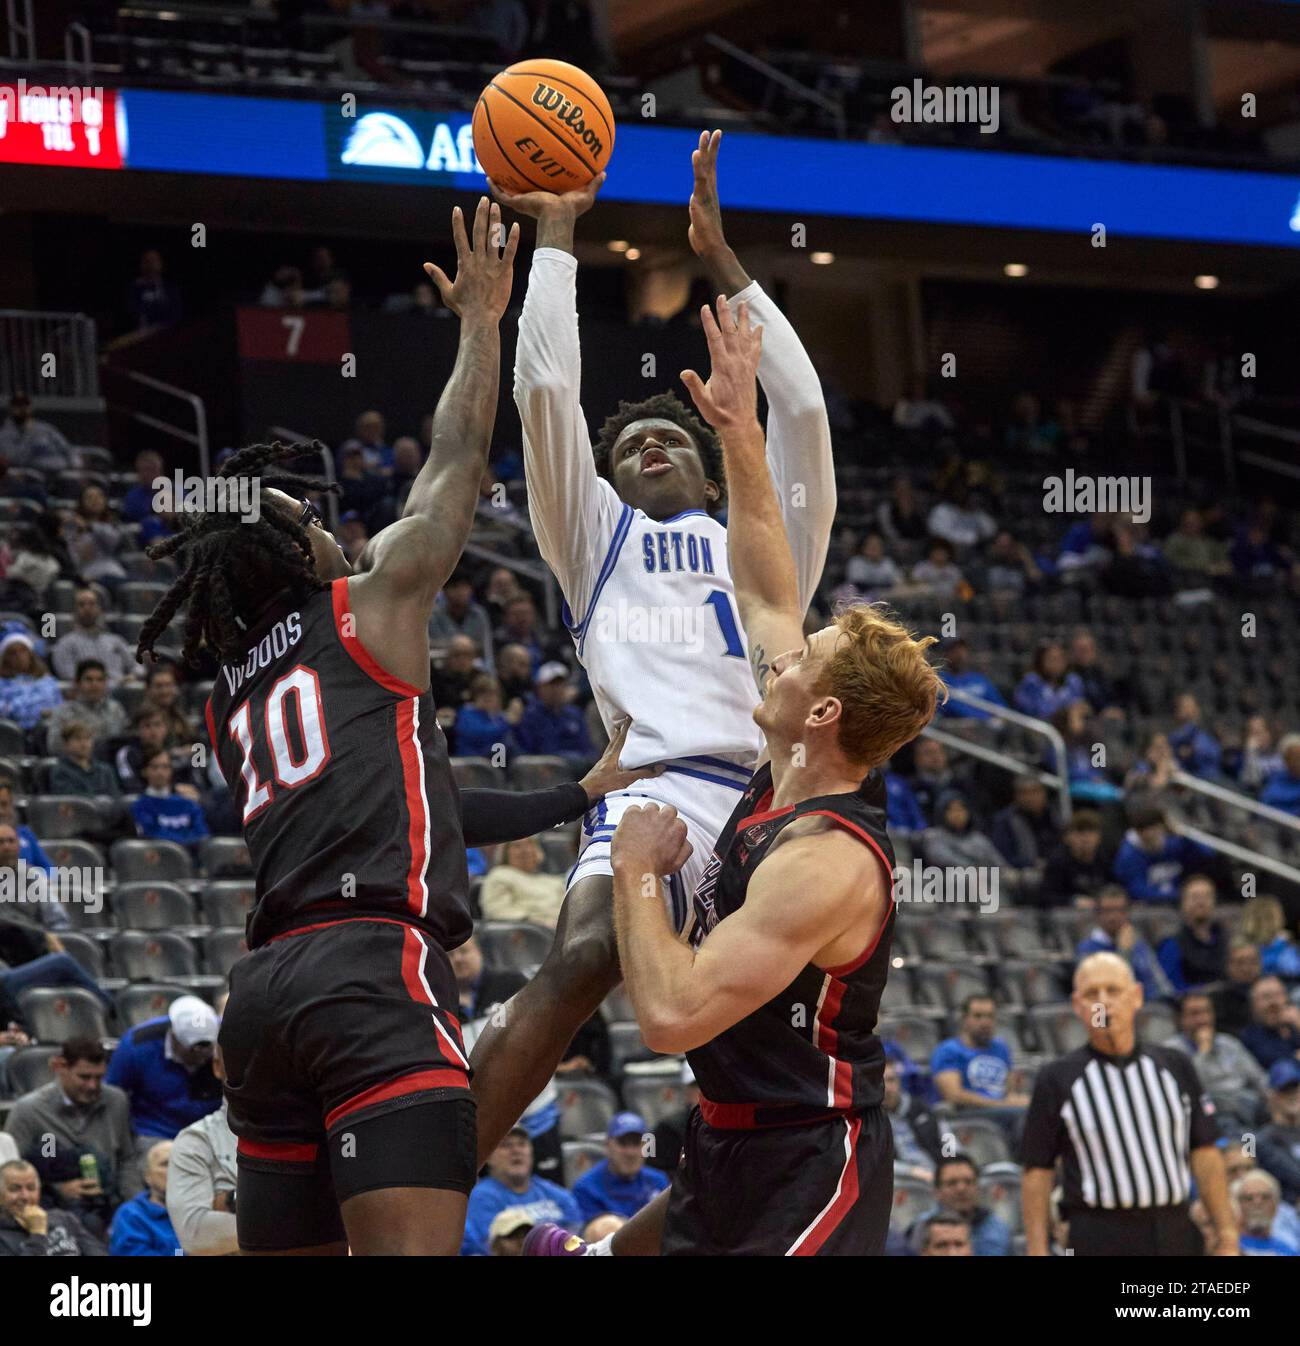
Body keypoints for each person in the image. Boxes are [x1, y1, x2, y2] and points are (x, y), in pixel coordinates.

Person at [137, 200, 519, 1257]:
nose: (333, 525)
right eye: (313, 519)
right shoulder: (370, 608)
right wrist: (482, 322)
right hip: (367, 967)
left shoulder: (225, 702)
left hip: (261, 993)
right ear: (296, 554)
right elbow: (455, 460)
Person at [527, 292, 943, 1258]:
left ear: (824, 711)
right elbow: (762, 587)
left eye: (804, 661)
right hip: (720, 1140)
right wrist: (737, 431)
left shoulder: (826, 858)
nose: (780, 657)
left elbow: (671, 1015)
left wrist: (633, 871)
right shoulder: (778, 770)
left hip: (811, 1157)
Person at [468, 131, 839, 1168]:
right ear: (609, 480)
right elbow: (544, 394)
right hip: (656, 789)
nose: (650, 443)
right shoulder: (596, 539)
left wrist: (724, 261)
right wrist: (556, 231)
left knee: (770, 1067)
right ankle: (420, 1197)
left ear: (712, 470)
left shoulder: (766, 551)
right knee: (583, 952)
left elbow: (801, 410)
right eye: (628, 445)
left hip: (774, 808)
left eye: (669, 435)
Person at [1020, 952, 1237, 1256]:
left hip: (1174, 1227)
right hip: (1099, 1233)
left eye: (1113, 991)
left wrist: (1227, 1234)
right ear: (1077, 1006)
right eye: (1092, 994)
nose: (1103, 1002)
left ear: (1136, 997)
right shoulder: (1056, 1079)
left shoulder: (1176, 1065)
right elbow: (1037, 1171)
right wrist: (1037, 1250)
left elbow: (1205, 1153)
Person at [2, 1038, 141, 1218]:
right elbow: (13, 1172)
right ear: (60, 1067)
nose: (92, 1085)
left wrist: (135, 1209)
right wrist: (57, 1189)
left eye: (99, 1077)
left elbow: (127, 1160)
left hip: (111, 1202)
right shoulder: (30, 1110)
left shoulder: (116, 1100)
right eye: (84, 1077)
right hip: (53, 1211)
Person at [106, 996, 222, 1145]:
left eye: (207, 1049)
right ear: (173, 1036)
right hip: (156, 1133)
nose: (201, 1056)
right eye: (193, 1050)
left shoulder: (229, 1038)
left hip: (214, 1131)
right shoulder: (136, 1046)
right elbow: (113, 1096)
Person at [461, 1126, 581, 1256]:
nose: (516, 1150)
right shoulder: (480, 1198)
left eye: (522, 1144)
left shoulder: (553, 1192)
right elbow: (487, 1246)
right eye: (505, 1145)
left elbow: (578, 1231)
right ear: (488, 1157)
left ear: (531, 1151)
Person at [166, 1042, 239, 1257]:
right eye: (238, 1057)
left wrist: (230, 1200)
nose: (250, 1067)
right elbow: (196, 1235)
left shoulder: (307, 1128)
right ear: (217, 1067)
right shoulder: (196, 1140)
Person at [1162, 992, 1267, 1129]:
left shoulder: (1228, 1043)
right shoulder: (1171, 1051)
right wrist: (1203, 1052)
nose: (1203, 1019)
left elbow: (1259, 1078)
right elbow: (1191, 1091)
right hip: (1211, 1114)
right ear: (1181, 1019)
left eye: (1206, 1012)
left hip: (1246, 1106)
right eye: (1195, 1014)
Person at [931, 995, 1029, 1116]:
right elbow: (954, 1095)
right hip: (971, 1119)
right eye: (978, 1016)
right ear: (964, 1019)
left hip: (1006, 1115)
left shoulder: (1001, 1048)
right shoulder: (948, 1050)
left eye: (990, 1016)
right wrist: (1000, 1105)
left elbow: (1009, 1092)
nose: (985, 1023)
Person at [1076, 885, 1173, 1002]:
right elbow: (1111, 991)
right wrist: (1124, 951)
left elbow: (1159, 984)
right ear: (1097, 914)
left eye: (1120, 910)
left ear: (1128, 913)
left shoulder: (1138, 945)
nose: (1113, 917)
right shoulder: (1087, 950)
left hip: (1145, 1010)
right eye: (1107, 911)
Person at [571, 1112, 669, 1222]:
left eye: (636, 1143)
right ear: (607, 1146)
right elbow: (591, 1235)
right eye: (623, 1143)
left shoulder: (658, 1181)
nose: (630, 1153)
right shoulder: (587, 1188)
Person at [1112, 802, 1217, 903]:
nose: (1152, 837)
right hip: (1149, 906)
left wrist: (1185, 836)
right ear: (1139, 833)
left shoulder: (1174, 843)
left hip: (1179, 900)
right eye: (1147, 834)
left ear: (1162, 827)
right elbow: (1138, 891)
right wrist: (1181, 895)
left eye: (1156, 831)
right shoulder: (1128, 856)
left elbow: (1207, 854)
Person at [909, 1154, 1011, 1257]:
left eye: (968, 1182)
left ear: (978, 1188)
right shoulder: (922, 1227)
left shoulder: (998, 1228)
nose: (961, 1189)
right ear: (937, 1191)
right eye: (952, 1183)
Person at [0, 1160, 106, 1256]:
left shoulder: (63, 1218)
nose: (25, 1196)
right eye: (15, 1189)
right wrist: (37, 1234)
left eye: (31, 1188)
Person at [513, 661, 596, 766]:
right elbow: (527, 751)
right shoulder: (530, 716)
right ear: (539, 688)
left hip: (578, 771)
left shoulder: (575, 714)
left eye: (560, 684)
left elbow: (587, 748)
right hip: (544, 772)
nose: (556, 689)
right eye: (551, 685)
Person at [1156, 875, 1228, 991]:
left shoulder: (1226, 937)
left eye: (1206, 896)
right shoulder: (1172, 941)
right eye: (1194, 897)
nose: (1201, 902)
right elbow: (1171, 988)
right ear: (1182, 903)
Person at [109, 1140, 181, 1256]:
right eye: (165, 1164)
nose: (174, 1169)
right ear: (147, 1176)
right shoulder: (131, 1215)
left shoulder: (201, 1210)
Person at [130, 749, 209, 853]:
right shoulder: (140, 806)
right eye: (154, 767)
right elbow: (153, 835)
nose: (160, 772)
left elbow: (203, 834)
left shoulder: (188, 804)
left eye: (165, 767)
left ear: (171, 770)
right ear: (145, 771)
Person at [44, 659, 128, 756]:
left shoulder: (116, 709)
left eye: (100, 680)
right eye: (89, 679)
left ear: (105, 684)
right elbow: (54, 747)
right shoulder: (63, 712)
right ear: (77, 684)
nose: (95, 684)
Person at [51, 587, 134, 684]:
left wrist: (133, 676)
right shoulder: (64, 644)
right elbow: (68, 675)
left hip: (119, 693)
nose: (87, 608)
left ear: (100, 609)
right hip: (85, 695)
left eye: (92, 604)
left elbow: (136, 666)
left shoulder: (116, 641)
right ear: (74, 611)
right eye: (81, 605)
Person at [479, 836, 566, 929]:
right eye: (517, 846)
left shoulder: (554, 881)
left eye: (529, 844)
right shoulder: (499, 876)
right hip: (525, 933)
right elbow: (497, 911)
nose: (525, 850)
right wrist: (536, 922)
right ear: (505, 853)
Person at [882, 1058, 943, 1180]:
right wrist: (911, 1171)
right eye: (879, 1082)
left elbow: (948, 1138)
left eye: (891, 1080)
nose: (887, 1088)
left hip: (936, 1173)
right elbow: (873, 1162)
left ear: (899, 1082)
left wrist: (951, 1163)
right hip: (897, 1180)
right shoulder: (867, 1120)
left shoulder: (921, 1108)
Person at [1037, 809, 1109, 907]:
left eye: (1091, 832)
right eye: (1080, 832)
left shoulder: (1104, 859)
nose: (1086, 838)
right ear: (1067, 837)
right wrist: (1073, 901)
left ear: (1099, 837)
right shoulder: (1058, 862)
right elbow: (1046, 897)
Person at [1256, 1059, 1300, 1205]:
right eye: (1285, 1090)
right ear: (1271, 1095)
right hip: (1285, 1209)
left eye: (1295, 1089)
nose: (1292, 1095)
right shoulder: (1260, 1139)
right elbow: (1293, 1175)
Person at [0, 631, 62, 733]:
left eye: (23, 651)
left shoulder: (47, 681)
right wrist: (38, 712)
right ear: (5, 658)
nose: (19, 656)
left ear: (31, 654)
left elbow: (59, 708)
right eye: (13, 653)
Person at [428, 569, 494, 665]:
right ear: (444, 591)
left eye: (464, 587)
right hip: (442, 667)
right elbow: (431, 646)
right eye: (455, 587)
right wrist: (460, 646)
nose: (460, 592)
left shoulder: (479, 614)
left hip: (473, 667)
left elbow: (486, 649)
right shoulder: (433, 615)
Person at [936, 637, 1006, 721]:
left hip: (986, 729)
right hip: (956, 728)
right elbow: (951, 709)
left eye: (962, 649)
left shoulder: (979, 679)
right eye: (954, 650)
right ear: (945, 654)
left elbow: (999, 705)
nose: (959, 654)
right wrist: (985, 719)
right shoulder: (940, 681)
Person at [0, 392, 73, 471]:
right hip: (31, 474)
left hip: (60, 472)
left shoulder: (45, 428)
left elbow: (66, 448)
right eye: (18, 406)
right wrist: (28, 434)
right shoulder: (5, 434)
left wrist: (74, 465)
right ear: (11, 408)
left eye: (25, 405)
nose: (22, 409)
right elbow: (15, 459)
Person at [1240, 976, 1300, 1071]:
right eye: (1266, 997)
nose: (1273, 1002)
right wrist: (1294, 1057)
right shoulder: (1250, 1036)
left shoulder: (1294, 1027)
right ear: (1253, 1005)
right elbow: (1270, 1060)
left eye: (1277, 995)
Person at [49, 722, 122, 798]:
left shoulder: (105, 770)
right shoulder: (60, 772)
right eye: (77, 739)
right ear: (66, 744)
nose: (84, 744)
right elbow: (71, 801)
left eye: (87, 739)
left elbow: (116, 798)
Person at [1014, 641, 1084, 721]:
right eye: (1052, 659)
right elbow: (1028, 710)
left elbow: (1079, 704)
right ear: (1041, 661)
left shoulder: (1073, 681)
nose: (1057, 664)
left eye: (1060, 659)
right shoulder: (1030, 682)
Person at [1232, 1170, 1297, 1256]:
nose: (1257, 1203)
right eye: (1249, 1198)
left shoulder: (1289, 1250)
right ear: (1238, 1205)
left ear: (1276, 1204)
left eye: (1265, 1197)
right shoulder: (1229, 1247)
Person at [1239, 895, 1300, 980]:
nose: (1283, 919)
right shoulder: (1243, 946)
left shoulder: (1287, 943)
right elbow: (1293, 969)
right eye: (1279, 915)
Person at [1213, 939, 1264, 1036]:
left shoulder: (1272, 992)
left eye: (1252, 962)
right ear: (1227, 965)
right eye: (1240, 963)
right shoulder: (1218, 999)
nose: (1246, 968)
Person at [1168, 692, 1223, 780]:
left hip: (1207, 780)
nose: (1182, 709)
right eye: (1180, 706)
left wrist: (1193, 751)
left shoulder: (1206, 731)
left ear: (1196, 709)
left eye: (1187, 706)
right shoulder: (1172, 735)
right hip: (1182, 780)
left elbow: (1215, 754)